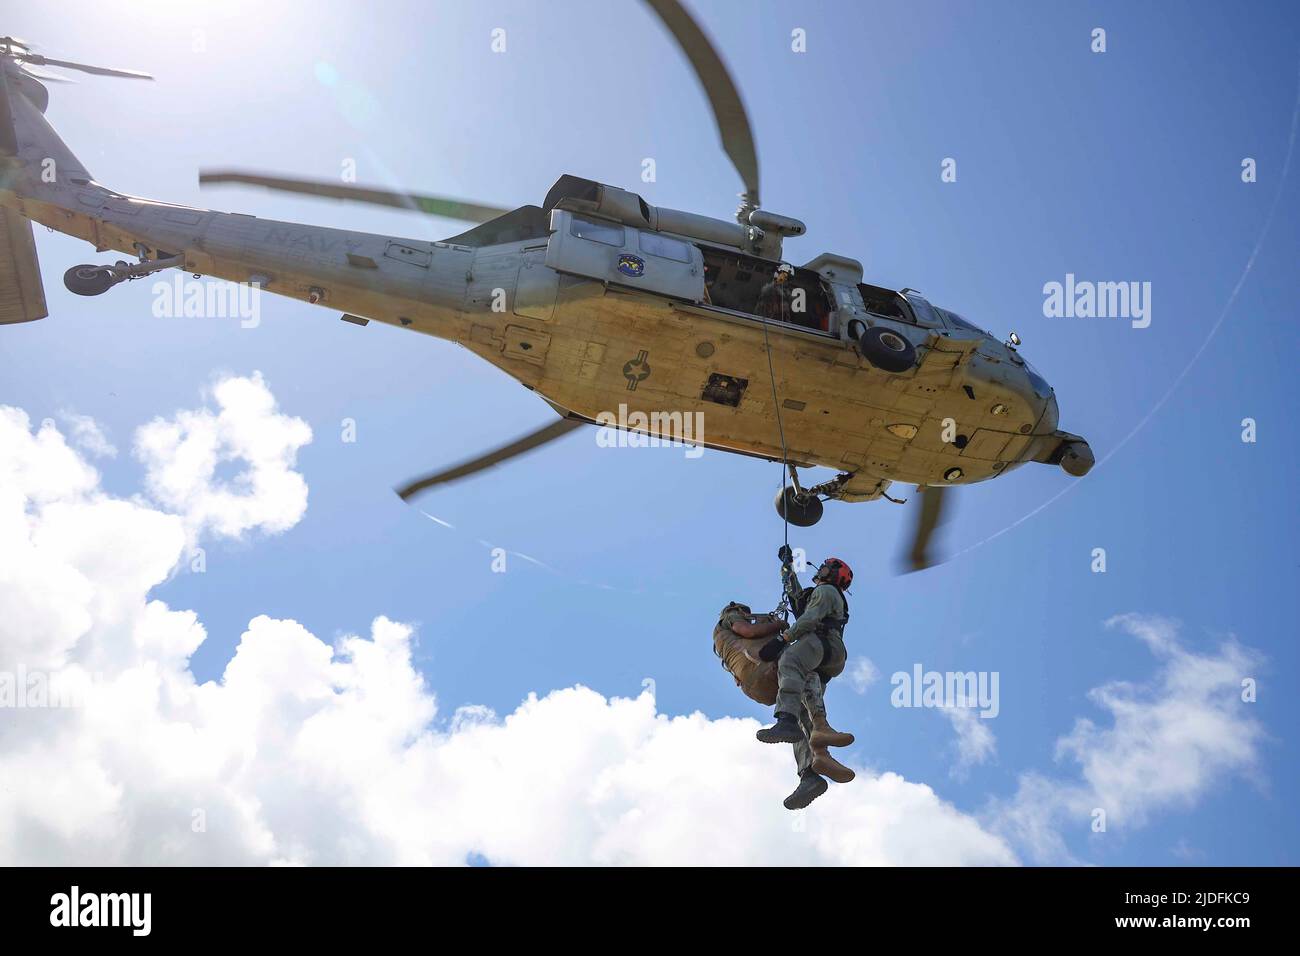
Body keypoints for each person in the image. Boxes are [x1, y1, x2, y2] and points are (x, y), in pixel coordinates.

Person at [755, 548, 855, 810]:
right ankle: (812, 769)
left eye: (825, 566)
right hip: (826, 657)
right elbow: (794, 592)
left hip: (822, 644)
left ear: (832, 574)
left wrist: (783, 639)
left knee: (789, 660)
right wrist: (787, 565)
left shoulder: (827, 592)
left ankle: (784, 719)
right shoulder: (818, 594)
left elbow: (809, 619)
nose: (819, 568)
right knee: (805, 710)